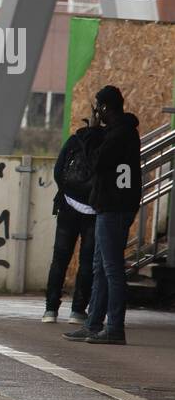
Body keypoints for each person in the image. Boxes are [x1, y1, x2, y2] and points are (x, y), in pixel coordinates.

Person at [64, 85, 141, 345]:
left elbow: (96, 162)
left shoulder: (119, 134)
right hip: (111, 206)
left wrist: (92, 132)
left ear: (105, 107)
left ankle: (115, 328)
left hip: (114, 207)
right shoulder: (120, 132)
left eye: (97, 107)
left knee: (111, 269)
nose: (96, 112)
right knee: (100, 267)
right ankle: (93, 323)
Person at [43, 116, 104, 323]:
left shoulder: (75, 140)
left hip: (68, 206)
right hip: (94, 210)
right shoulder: (107, 142)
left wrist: (67, 191)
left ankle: (50, 310)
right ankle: (77, 311)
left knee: (60, 259)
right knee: (87, 261)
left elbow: (58, 170)